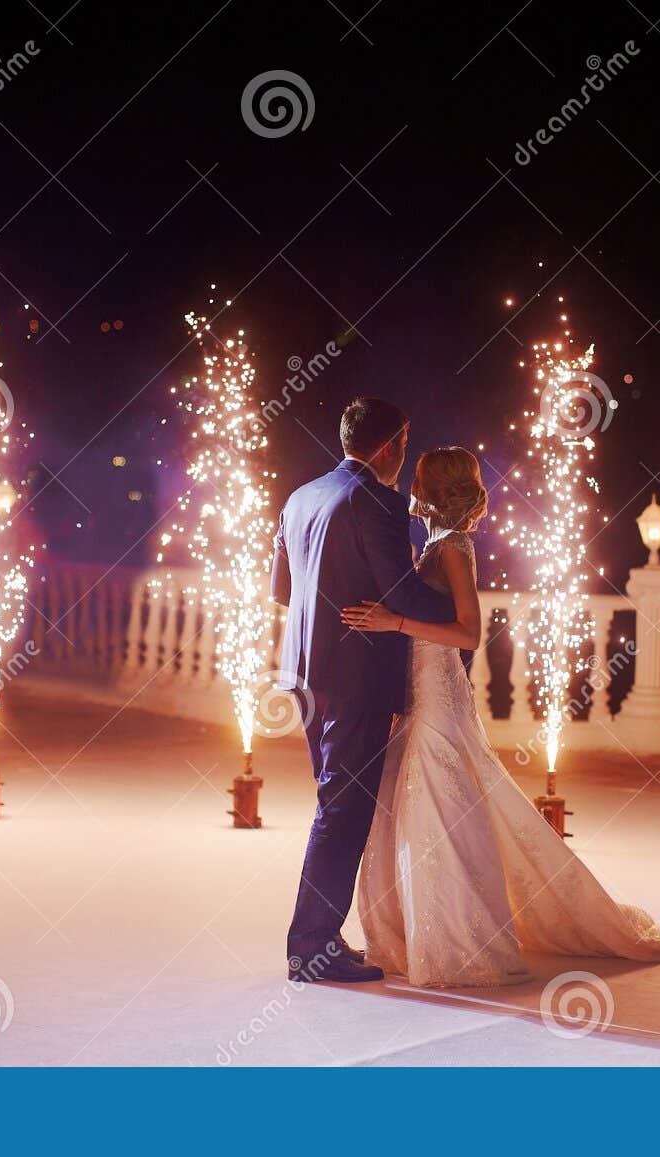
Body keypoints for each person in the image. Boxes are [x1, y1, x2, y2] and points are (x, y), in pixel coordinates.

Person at [342, 446, 660, 987]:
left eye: (418, 477)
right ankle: (415, 934)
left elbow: (470, 634)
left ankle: (459, 941)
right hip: (421, 692)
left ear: (434, 488)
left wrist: (393, 623)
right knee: (414, 805)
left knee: (439, 806)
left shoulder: (454, 548)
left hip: (438, 693)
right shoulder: (435, 545)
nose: (410, 485)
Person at [271, 397, 455, 983]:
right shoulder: (376, 500)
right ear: (390, 445)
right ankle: (311, 947)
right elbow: (402, 595)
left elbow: (282, 591)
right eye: (404, 443)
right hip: (355, 680)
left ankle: (319, 939)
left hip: (304, 675)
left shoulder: (301, 496)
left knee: (336, 807)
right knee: (342, 811)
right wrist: (459, 606)